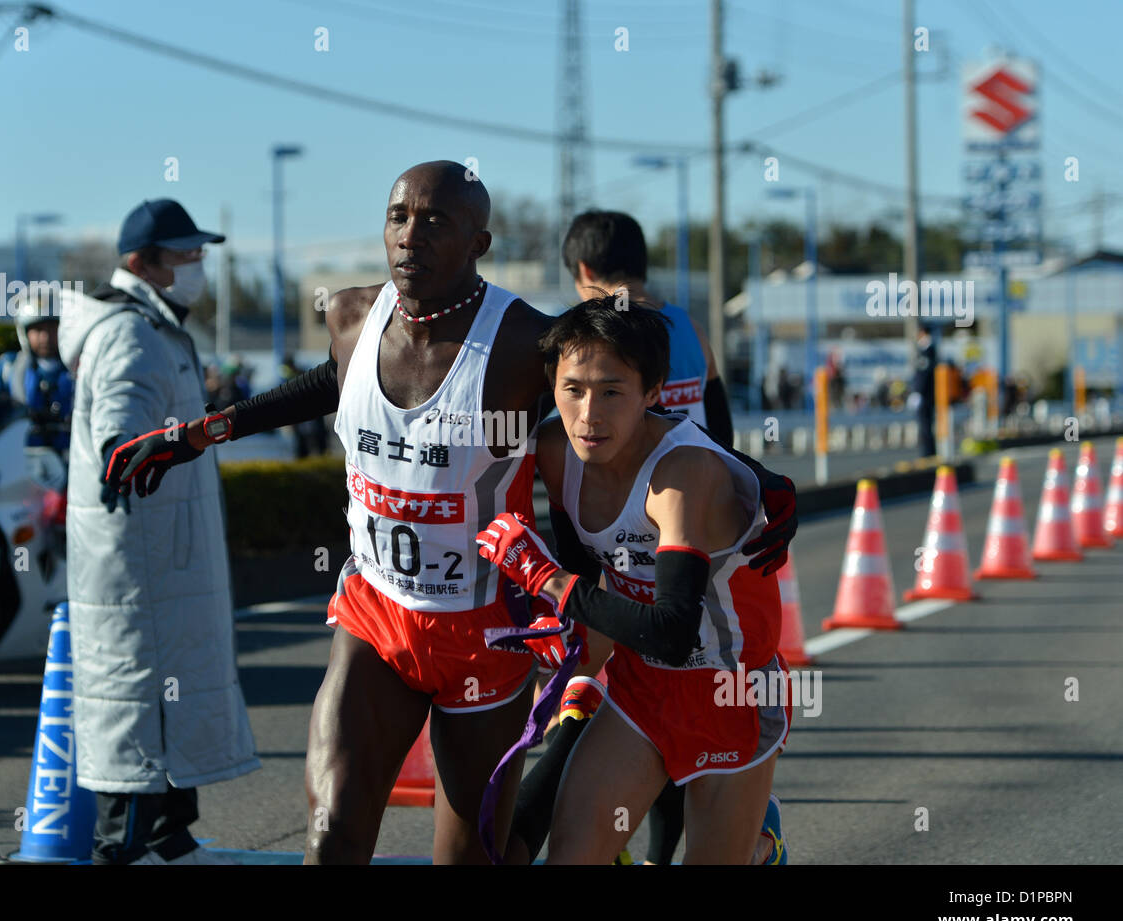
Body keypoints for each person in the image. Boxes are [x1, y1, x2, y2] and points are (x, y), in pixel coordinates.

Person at [102, 162, 797, 864]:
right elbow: (329, 384)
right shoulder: (349, 314)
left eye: (435, 221)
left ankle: (743, 831)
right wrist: (200, 431)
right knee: (333, 834)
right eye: (398, 215)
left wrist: (753, 478)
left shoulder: (526, 343)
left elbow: (631, 409)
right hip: (377, 609)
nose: (410, 235)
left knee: (478, 855)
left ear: (479, 242)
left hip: (485, 631)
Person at [478, 296, 791, 864]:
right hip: (642, 688)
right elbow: (589, 572)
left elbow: (672, 632)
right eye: (572, 388)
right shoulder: (553, 450)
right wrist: (560, 619)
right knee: (572, 857)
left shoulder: (682, 476)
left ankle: (758, 848)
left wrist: (545, 580)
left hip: (733, 690)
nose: (589, 414)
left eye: (612, 391)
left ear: (654, 394)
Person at [56, 198, 260, 865]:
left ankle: (170, 840)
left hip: (162, 564)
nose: (198, 267)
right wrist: (132, 448)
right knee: (139, 711)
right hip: (141, 569)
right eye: (187, 256)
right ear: (143, 263)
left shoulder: (156, 326)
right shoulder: (130, 333)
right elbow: (119, 431)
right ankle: (126, 848)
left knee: (164, 713)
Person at [563, 210, 730, 443]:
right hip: (697, 467)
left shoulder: (592, 336)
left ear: (585, 270)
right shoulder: (692, 328)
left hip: (631, 476)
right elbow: (721, 427)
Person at [0, 299, 74, 450]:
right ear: (24, 332)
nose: (45, 337)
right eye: (38, 330)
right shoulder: (11, 367)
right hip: (20, 457)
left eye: (51, 328)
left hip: (70, 458)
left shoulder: (77, 367)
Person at [912, 327, 937, 457]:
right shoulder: (929, 350)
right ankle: (929, 451)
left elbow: (923, 374)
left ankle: (928, 453)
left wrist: (918, 392)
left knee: (925, 424)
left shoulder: (927, 351)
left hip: (926, 394)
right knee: (926, 424)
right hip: (927, 394)